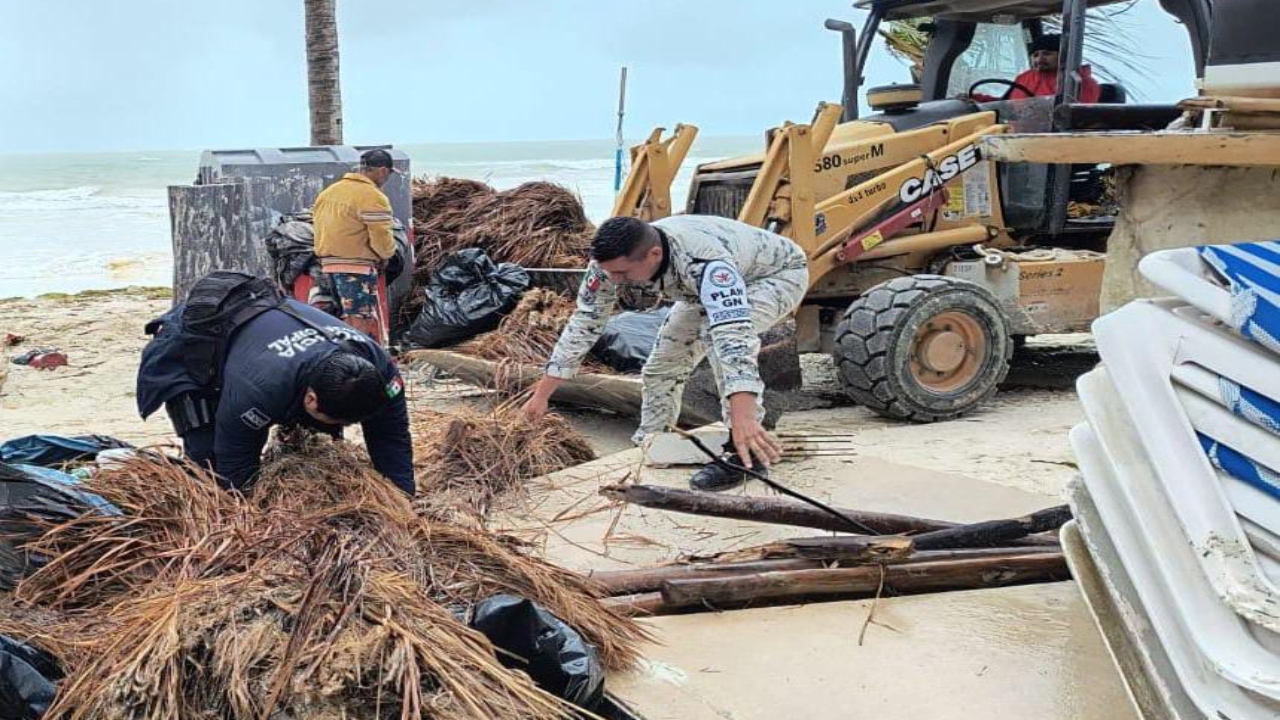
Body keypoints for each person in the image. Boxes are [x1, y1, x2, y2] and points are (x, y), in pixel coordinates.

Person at [521, 215, 809, 492]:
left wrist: (743, 416)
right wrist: (542, 395)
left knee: (715, 336)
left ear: (654, 255)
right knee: (662, 365)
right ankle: (654, 439)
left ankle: (744, 452)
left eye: (622, 274)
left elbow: (734, 339)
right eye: (609, 273)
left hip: (774, 275)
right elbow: (584, 323)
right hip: (699, 289)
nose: (614, 280)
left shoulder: (704, 262)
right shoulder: (608, 266)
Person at [136, 289, 414, 494]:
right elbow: (235, 460)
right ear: (311, 398)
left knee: (317, 439)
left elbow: (391, 435)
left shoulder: (380, 369)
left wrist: (403, 500)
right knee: (210, 465)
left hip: (259, 338)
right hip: (191, 347)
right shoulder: (260, 390)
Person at [311, 148, 400, 344]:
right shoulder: (372, 196)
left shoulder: (329, 192)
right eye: (388, 174)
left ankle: (342, 355)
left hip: (327, 267)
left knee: (338, 321)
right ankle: (358, 356)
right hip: (356, 268)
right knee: (359, 321)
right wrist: (387, 255)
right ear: (383, 170)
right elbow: (381, 238)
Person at [970, 34, 1101, 103]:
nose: (1039, 59)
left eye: (1047, 54)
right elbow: (1005, 105)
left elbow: (1075, 117)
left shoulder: (1079, 82)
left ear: (1063, 56)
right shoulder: (1024, 78)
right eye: (1035, 55)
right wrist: (976, 100)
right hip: (1014, 133)